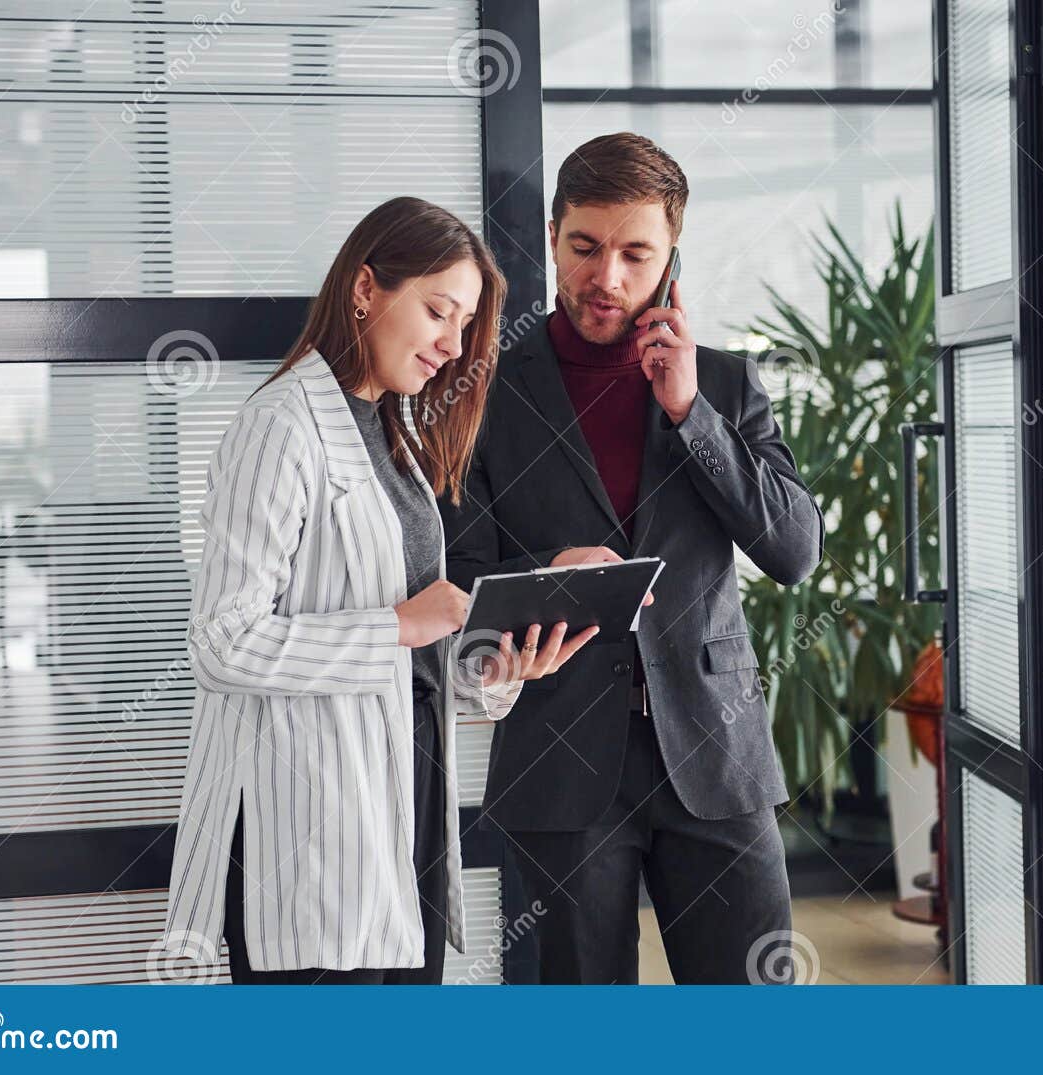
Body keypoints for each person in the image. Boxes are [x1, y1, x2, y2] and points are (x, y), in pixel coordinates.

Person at [158, 196, 597, 985]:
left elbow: (414, 651)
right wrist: (397, 623)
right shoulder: (281, 427)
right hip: (310, 826)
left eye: (464, 326)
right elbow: (222, 641)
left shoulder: (394, 437)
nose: (452, 345)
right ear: (365, 288)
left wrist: (494, 670)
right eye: (439, 311)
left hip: (409, 801)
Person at [441, 134, 825, 984]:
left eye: (634, 253)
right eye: (584, 247)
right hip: (561, 759)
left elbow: (795, 549)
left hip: (716, 755)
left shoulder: (721, 385)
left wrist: (689, 412)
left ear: (671, 259)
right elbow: (457, 573)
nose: (605, 277)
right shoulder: (484, 393)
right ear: (552, 237)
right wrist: (552, 573)